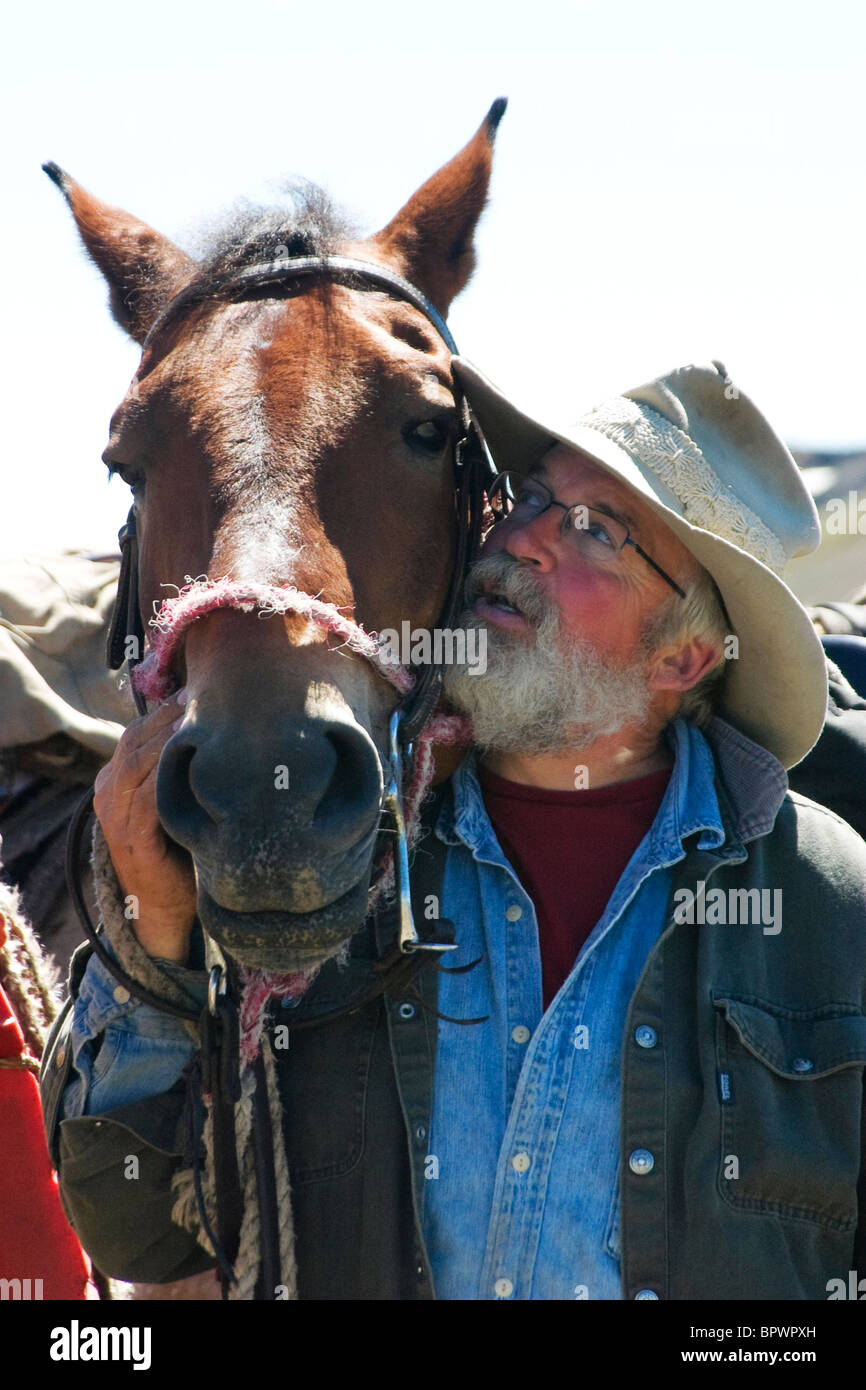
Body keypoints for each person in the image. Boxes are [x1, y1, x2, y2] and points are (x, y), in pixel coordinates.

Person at [41, 360, 866, 1300]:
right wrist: (154, 929)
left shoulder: (833, 910)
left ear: (683, 654)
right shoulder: (334, 841)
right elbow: (140, 1236)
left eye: (595, 529)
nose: (524, 541)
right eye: (532, 498)